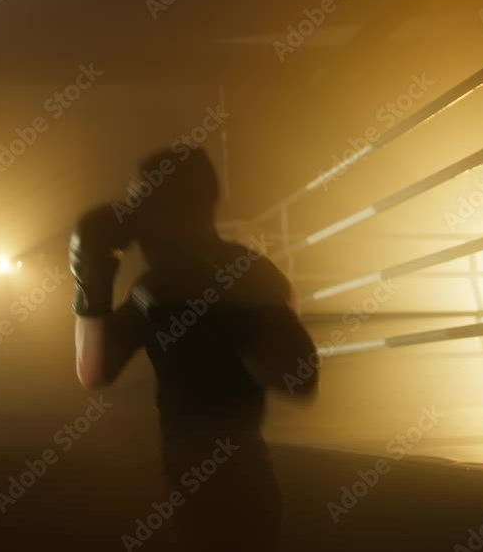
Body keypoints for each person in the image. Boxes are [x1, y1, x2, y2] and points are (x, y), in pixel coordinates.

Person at [69, 147, 319, 550]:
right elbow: (94, 371)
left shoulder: (247, 271)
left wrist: (223, 310)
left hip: (241, 488)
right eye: (134, 207)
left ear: (189, 208)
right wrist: (90, 285)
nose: (135, 221)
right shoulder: (154, 289)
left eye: (145, 206)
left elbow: (300, 377)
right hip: (183, 486)